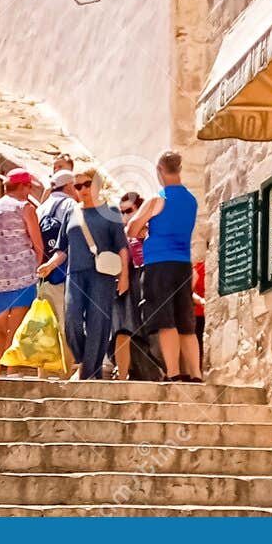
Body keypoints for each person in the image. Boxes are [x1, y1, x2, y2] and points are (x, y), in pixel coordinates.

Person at [127, 150, 202, 382]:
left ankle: (173, 373)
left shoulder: (158, 199)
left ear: (160, 170)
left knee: (166, 320)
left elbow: (131, 228)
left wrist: (146, 230)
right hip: (182, 264)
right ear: (178, 169)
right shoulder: (191, 200)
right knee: (186, 322)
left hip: (159, 265)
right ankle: (196, 374)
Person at [61, 164, 128, 380]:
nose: (82, 190)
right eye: (77, 186)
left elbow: (121, 247)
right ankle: (84, 362)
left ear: (97, 184)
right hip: (75, 273)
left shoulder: (111, 212)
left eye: (87, 184)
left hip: (102, 275)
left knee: (98, 323)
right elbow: (62, 248)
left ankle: (90, 373)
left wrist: (124, 276)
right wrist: (48, 265)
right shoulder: (71, 212)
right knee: (71, 319)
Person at [0, 168, 44, 377]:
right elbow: (38, 245)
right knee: (16, 326)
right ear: (23, 186)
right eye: (28, 187)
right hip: (22, 275)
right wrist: (36, 266)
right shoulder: (25, 207)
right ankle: (10, 372)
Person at [35, 168, 77, 361]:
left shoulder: (40, 208)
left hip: (42, 275)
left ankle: (42, 374)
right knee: (65, 325)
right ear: (69, 185)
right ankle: (67, 373)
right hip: (64, 274)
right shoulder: (71, 205)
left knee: (44, 327)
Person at [113, 191, 147, 380]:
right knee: (123, 329)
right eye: (122, 212)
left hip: (148, 279)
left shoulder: (152, 229)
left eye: (129, 210)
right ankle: (122, 375)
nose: (125, 215)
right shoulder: (118, 235)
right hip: (127, 280)